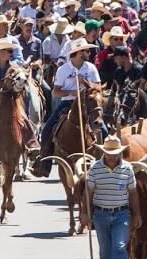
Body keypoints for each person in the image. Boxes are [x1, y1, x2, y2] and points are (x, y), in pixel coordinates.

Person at [78, 136, 141, 259]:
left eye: (115, 153)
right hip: (101, 214)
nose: (112, 156)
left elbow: (133, 193)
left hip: (122, 214)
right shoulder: (94, 168)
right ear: (104, 152)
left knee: (119, 246)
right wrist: (84, 212)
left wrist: (137, 213)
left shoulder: (127, 168)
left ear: (120, 152)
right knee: (105, 251)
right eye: (108, 153)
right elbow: (89, 192)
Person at [33, 38, 101, 177]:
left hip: (88, 103)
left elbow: (98, 87)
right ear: (78, 53)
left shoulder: (91, 68)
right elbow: (56, 91)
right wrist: (70, 92)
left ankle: (105, 162)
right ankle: (43, 164)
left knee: (103, 129)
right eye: (86, 51)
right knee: (47, 130)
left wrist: (87, 84)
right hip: (68, 103)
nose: (89, 53)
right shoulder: (63, 70)